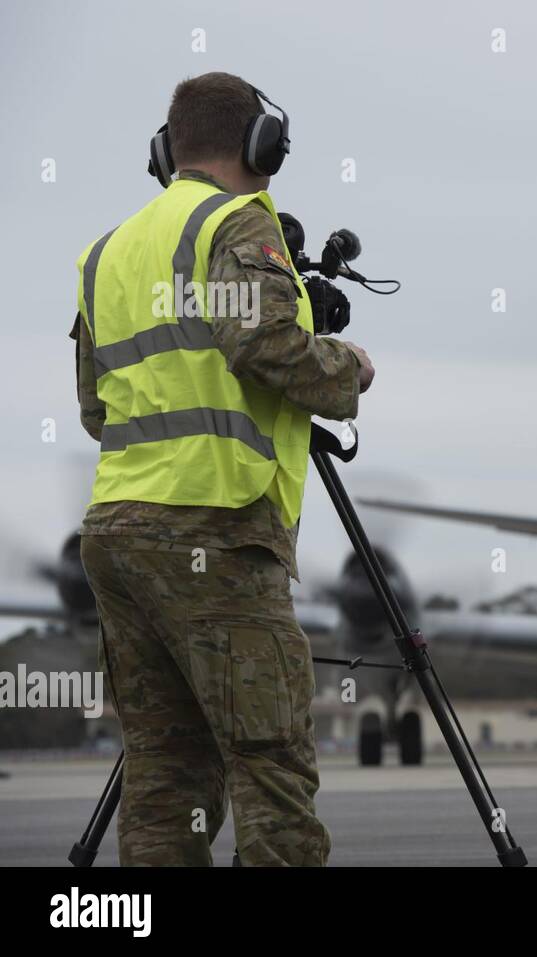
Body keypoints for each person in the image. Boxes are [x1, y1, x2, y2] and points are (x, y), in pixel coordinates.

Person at [71, 71, 374, 866]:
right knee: (270, 763)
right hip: (216, 528)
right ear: (261, 145)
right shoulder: (235, 226)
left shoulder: (108, 252)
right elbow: (263, 345)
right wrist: (347, 369)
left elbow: (97, 409)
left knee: (165, 778)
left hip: (115, 534)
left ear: (167, 150)